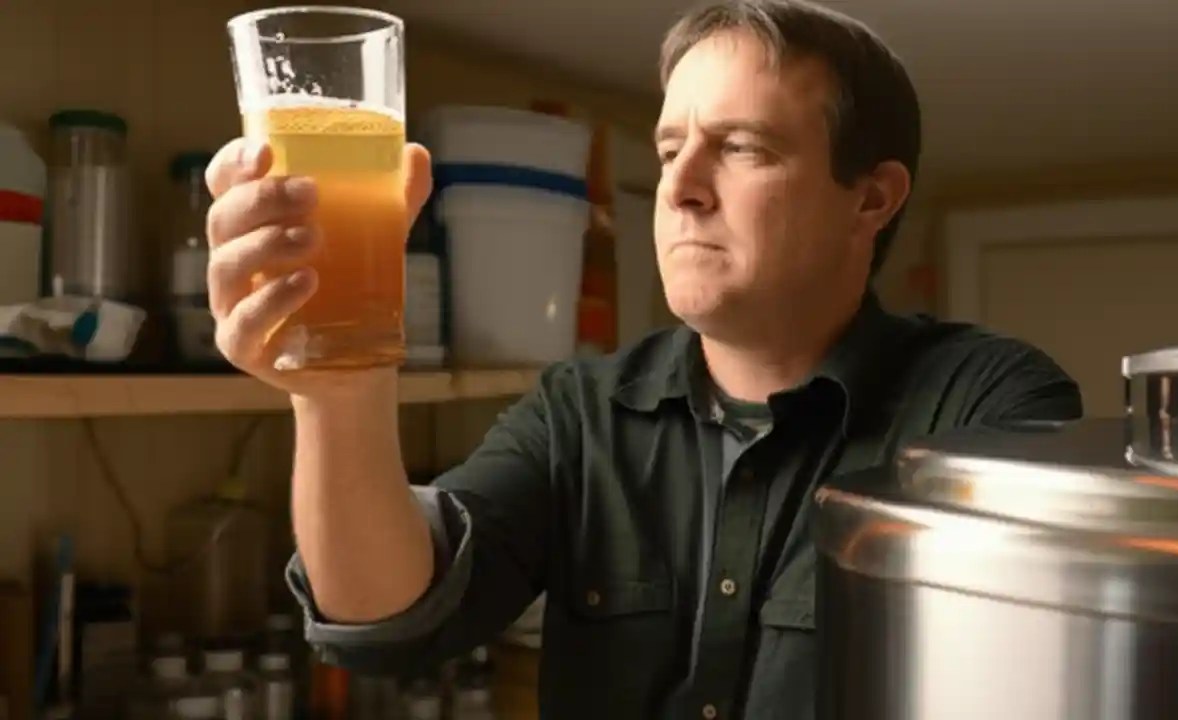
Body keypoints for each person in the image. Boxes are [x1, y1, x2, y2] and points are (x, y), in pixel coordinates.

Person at [203, 0, 1083, 717]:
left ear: (873, 198)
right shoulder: (577, 412)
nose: (680, 185)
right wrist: (337, 395)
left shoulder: (988, 406)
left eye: (741, 147)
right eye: (670, 149)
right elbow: (384, 614)